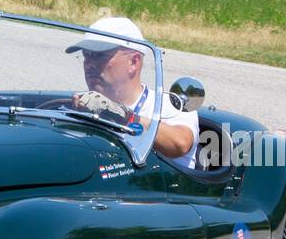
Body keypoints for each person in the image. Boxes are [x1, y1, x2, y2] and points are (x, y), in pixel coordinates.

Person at [64, 16, 199, 169]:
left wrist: (124, 116)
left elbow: (180, 144)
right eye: (86, 56)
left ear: (133, 62)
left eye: (99, 56)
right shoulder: (84, 105)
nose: (89, 65)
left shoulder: (170, 106)